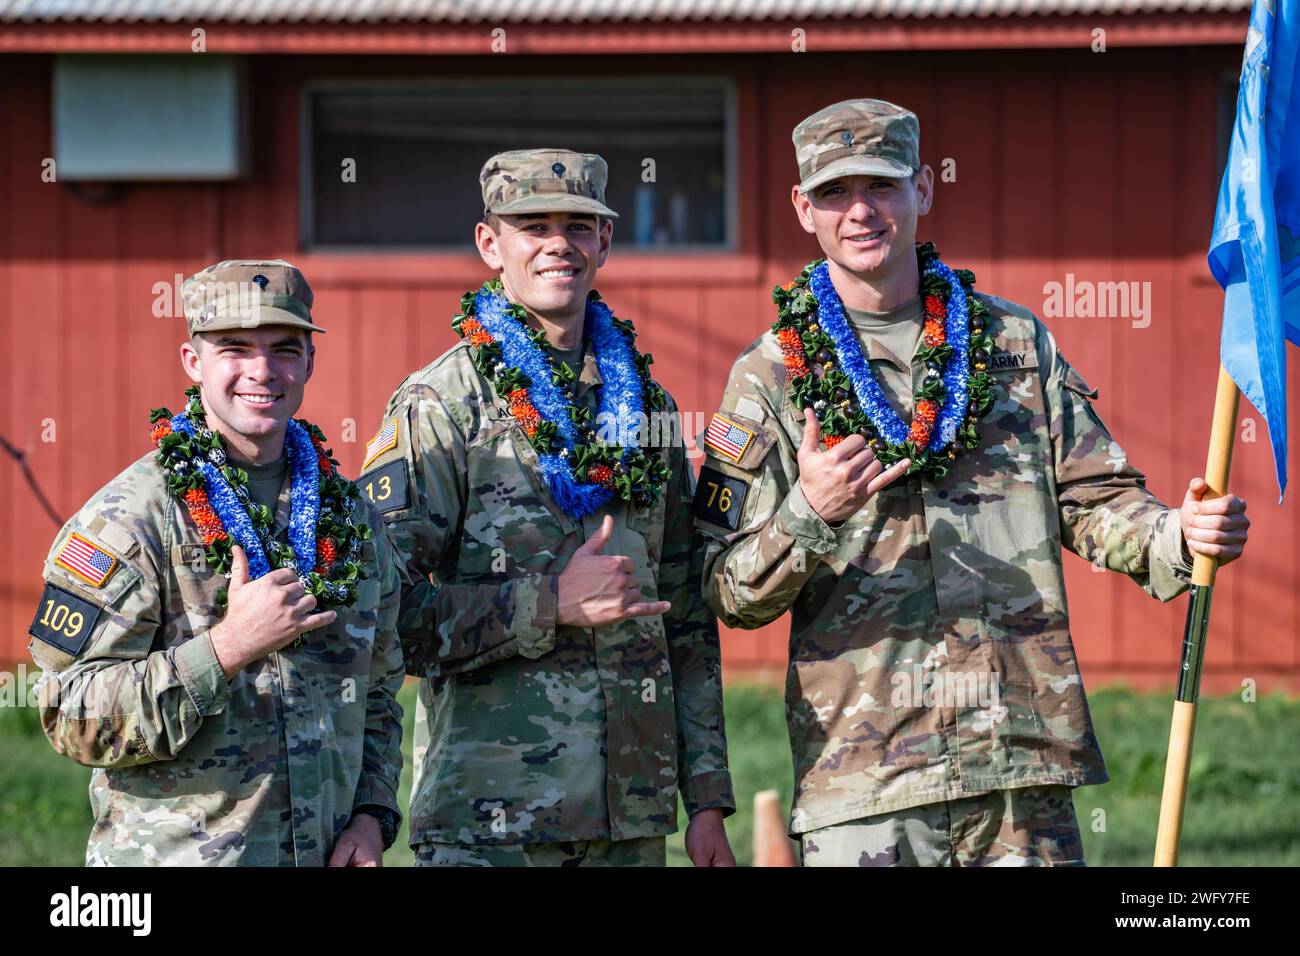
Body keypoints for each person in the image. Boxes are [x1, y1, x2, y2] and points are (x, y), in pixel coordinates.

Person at [694, 100, 1251, 866]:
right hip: (868, 783)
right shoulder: (767, 378)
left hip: (1020, 763)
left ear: (923, 188)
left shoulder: (1013, 342)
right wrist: (808, 512)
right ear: (802, 208)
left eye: (882, 186)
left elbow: (1095, 502)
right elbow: (725, 589)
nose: (861, 211)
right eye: (834, 192)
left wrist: (1177, 537)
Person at [362, 149, 735, 866]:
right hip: (491, 822)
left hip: (631, 824)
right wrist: (547, 604)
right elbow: (383, 616)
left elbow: (686, 617)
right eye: (532, 225)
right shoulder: (442, 407)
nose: (558, 242)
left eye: (578, 224)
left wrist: (708, 800)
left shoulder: (644, 410)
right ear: (489, 244)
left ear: (605, 242)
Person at [27, 259, 405, 866]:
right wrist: (226, 647)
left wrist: (371, 815)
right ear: (192, 362)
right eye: (234, 348)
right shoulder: (131, 519)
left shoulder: (351, 515)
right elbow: (70, 713)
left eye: (284, 349)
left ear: (308, 362)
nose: (262, 370)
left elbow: (380, 685)